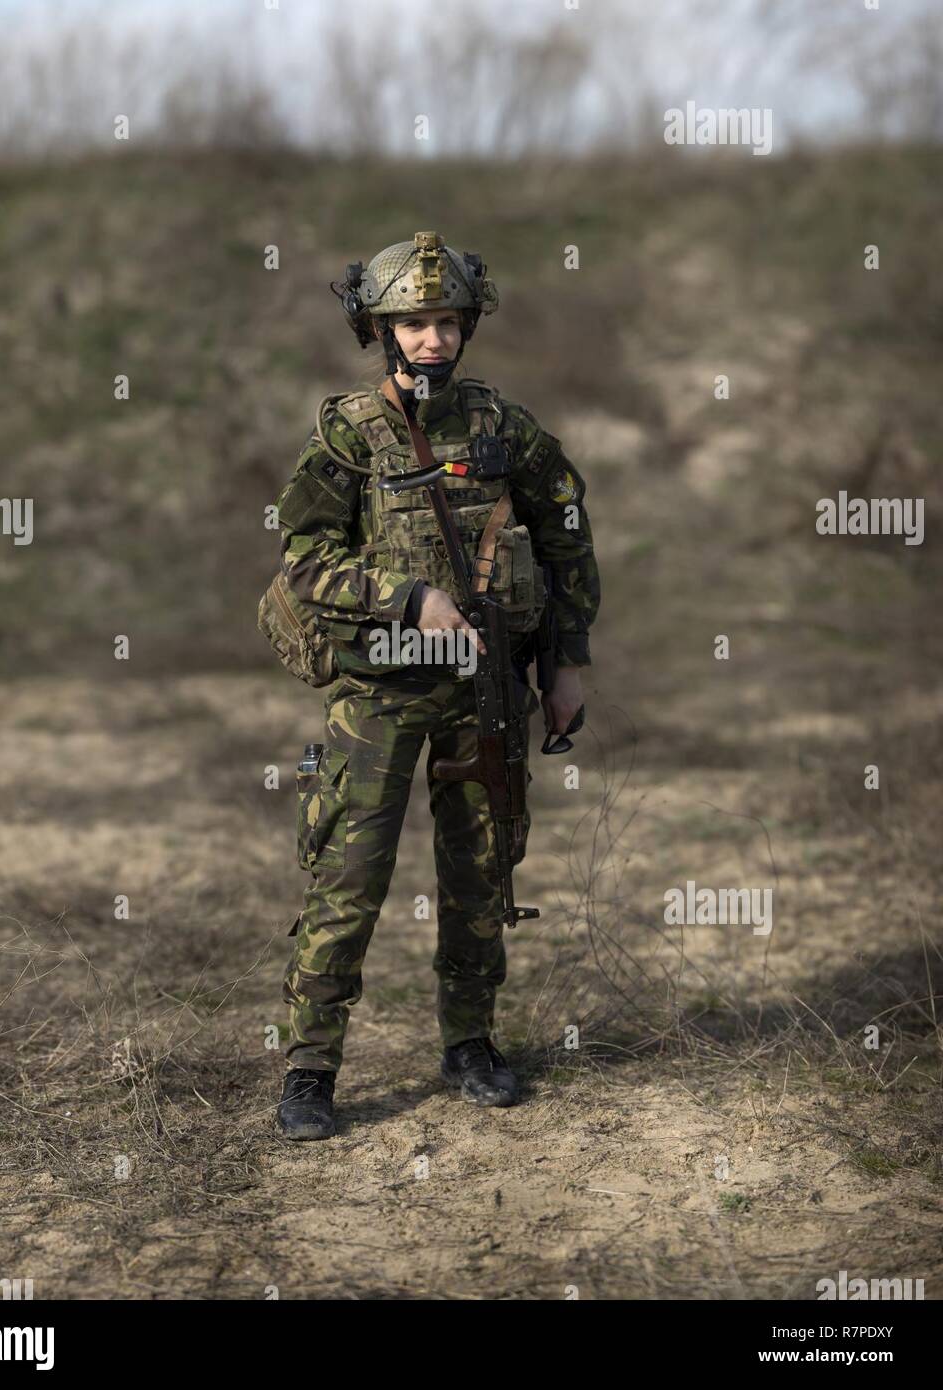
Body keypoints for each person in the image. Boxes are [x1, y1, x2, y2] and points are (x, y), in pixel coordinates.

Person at [271, 231, 600, 1140]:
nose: (432, 340)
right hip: (377, 695)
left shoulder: (502, 427)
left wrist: (565, 660)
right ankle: (310, 1068)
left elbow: (566, 523)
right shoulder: (351, 431)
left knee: (480, 870)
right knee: (349, 877)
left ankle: (471, 1042)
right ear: (379, 328)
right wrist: (406, 597)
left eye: (447, 321)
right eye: (414, 322)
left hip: (483, 687)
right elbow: (303, 557)